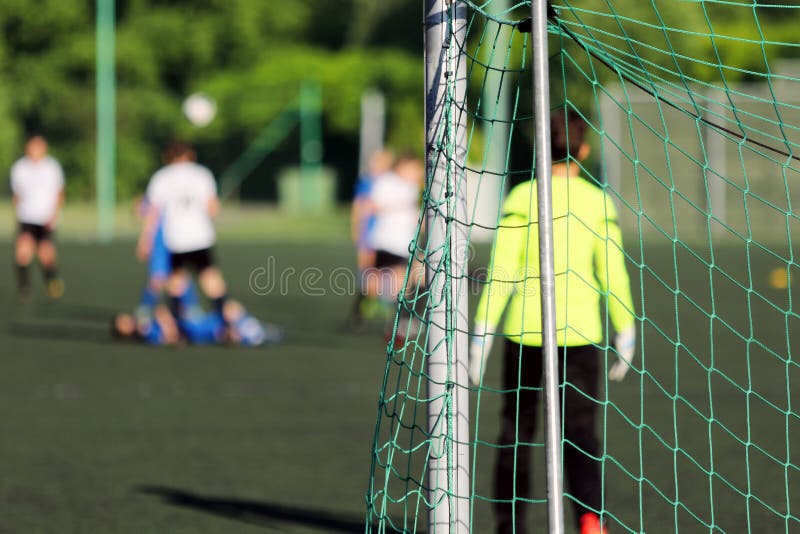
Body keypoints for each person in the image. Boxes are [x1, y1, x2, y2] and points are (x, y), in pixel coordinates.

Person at [469, 110, 637, 534]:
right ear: (584, 149)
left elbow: (502, 272)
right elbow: (611, 271)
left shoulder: (523, 196)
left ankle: (511, 526)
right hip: (581, 336)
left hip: (525, 335)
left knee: (516, 434)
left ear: (541, 149)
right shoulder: (597, 200)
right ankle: (589, 520)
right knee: (580, 434)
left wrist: (481, 333)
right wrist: (626, 327)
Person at [136, 142, 228, 321]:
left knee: (176, 281)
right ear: (191, 155)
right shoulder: (202, 174)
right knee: (211, 279)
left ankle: (179, 325)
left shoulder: (161, 177)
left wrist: (145, 241)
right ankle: (225, 322)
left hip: (176, 239)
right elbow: (213, 208)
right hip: (201, 237)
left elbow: (153, 213)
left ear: (168, 157)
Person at [362, 152, 425, 340]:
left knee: (419, 277)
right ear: (403, 165)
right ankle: (392, 323)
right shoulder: (386, 182)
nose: (417, 172)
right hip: (386, 243)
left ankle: (405, 322)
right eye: (414, 168)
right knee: (383, 286)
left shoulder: (413, 187)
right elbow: (371, 207)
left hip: (406, 244)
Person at [10, 135, 66, 302]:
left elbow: (59, 193)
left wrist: (54, 214)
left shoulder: (52, 167)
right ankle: (24, 287)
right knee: (23, 252)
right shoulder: (19, 167)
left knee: (45, 254)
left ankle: (51, 279)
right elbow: (17, 194)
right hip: (27, 216)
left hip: (45, 217)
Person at [111, 299, 283, 347]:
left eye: (124, 319)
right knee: (230, 330)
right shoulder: (148, 335)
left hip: (196, 321)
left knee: (231, 308)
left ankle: (254, 329)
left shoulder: (144, 322)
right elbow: (171, 338)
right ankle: (254, 334)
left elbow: (161, 310)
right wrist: (168, 324)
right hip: (196, 330)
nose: (127, 321)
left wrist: (165, 318)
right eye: (123, 325)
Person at [348, 148, 394, 330]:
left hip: (387, 237)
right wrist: (358, 233)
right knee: (369, 275)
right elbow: (358, 209)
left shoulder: (391, 183)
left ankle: (382, 307)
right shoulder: (368, 183)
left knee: (387, 274)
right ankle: (360, 312)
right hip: (370, 236)